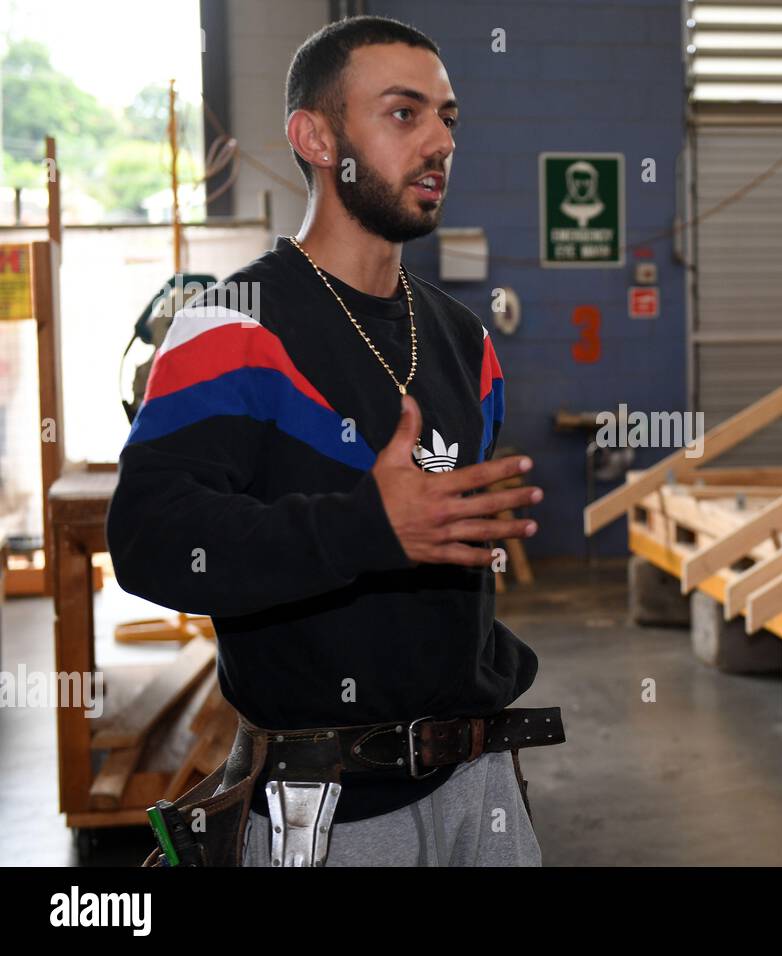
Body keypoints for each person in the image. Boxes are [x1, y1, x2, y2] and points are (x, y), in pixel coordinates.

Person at [107, 16, 562, 867]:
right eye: (403, 113)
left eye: (449, 119)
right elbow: (149, 542)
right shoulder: (229, 327)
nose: (437, 142)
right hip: (331, 810)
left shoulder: (466, 342)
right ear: (315, 137)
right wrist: (365, 527)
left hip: (484, 787)